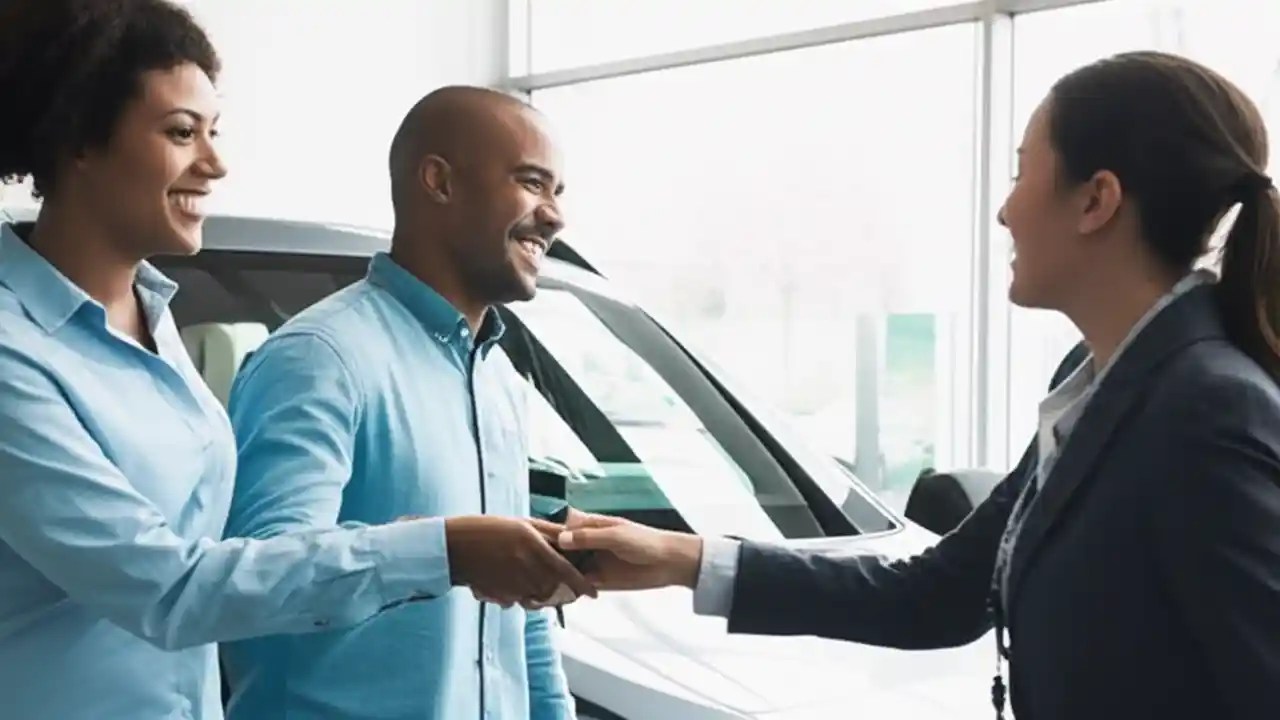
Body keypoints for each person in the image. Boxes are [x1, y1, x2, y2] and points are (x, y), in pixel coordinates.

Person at [559, 50, 1280, 720]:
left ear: (1096, 200)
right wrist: (683, 558)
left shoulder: (1207, 407)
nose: (1005, 211)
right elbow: (938, 596)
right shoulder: (1098, 383)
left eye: (1022, 170)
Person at [0, 4, 588, 720]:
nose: (215, 164)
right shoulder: (15, 351)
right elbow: (171, 588)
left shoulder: (153, 320)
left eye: (214, 133)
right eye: (182, 133)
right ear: (78, 136)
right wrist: (445, 550)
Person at [220, 86, 580, 719]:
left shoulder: (496, 380)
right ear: (438, 181)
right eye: (532, 183)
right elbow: (258, 589)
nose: (553, 216)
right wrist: (444, 551)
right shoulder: (319, 358)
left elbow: (523, 621)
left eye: (557, 193)